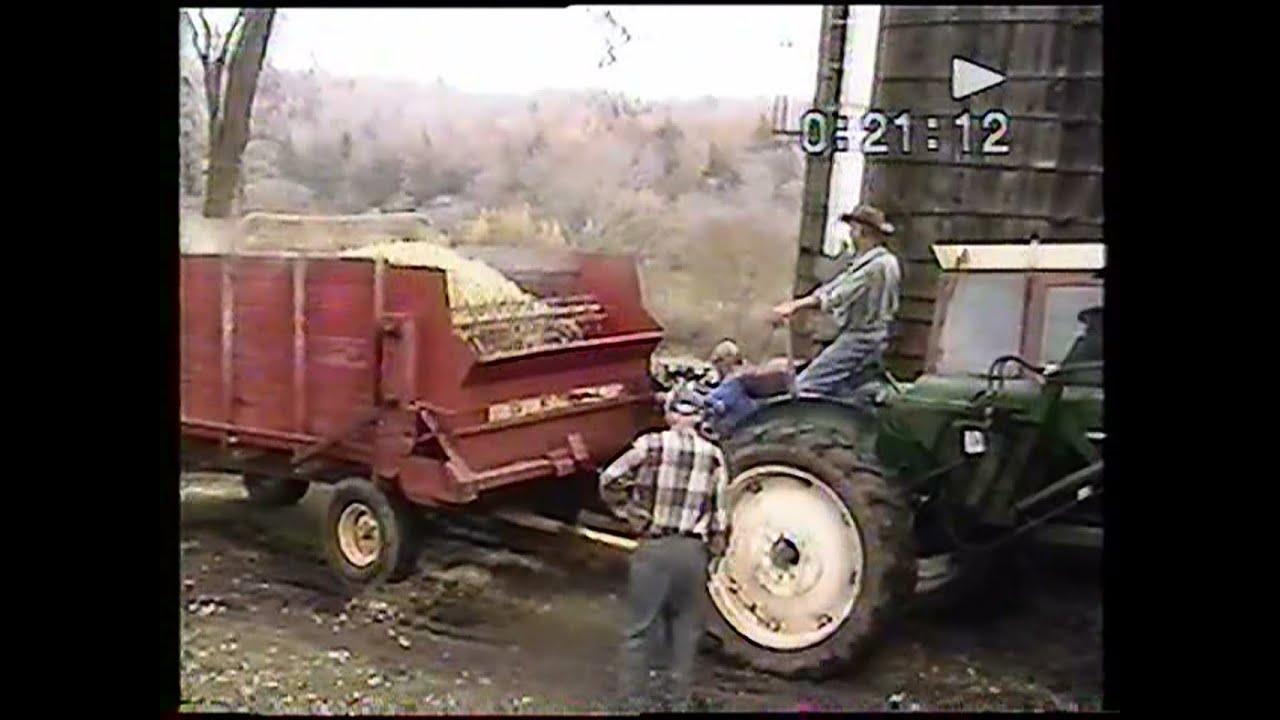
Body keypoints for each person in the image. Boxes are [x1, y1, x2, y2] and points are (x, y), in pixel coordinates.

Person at [598, 386, 730, 713]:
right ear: (699, 417)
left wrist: (632, 515)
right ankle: (678, 703)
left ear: (671, 414)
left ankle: (633, 705)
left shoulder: (650, 444)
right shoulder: (714, 456)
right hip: (692, 552)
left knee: (639, 630)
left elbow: (610, 478)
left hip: (655, 547)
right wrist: (713, 554)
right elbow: (720, 516)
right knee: (685, 633)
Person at [771, 204, 902, 399]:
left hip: (861, 338)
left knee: (805, 386)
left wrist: (796, 306)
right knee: (841, 389)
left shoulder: (876, 266)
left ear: (863, 231)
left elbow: (837, 295)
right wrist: (798, 304)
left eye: (853, 229)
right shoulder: (881, 261)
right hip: (872, 337)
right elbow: (835, 285)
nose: (851, 233)